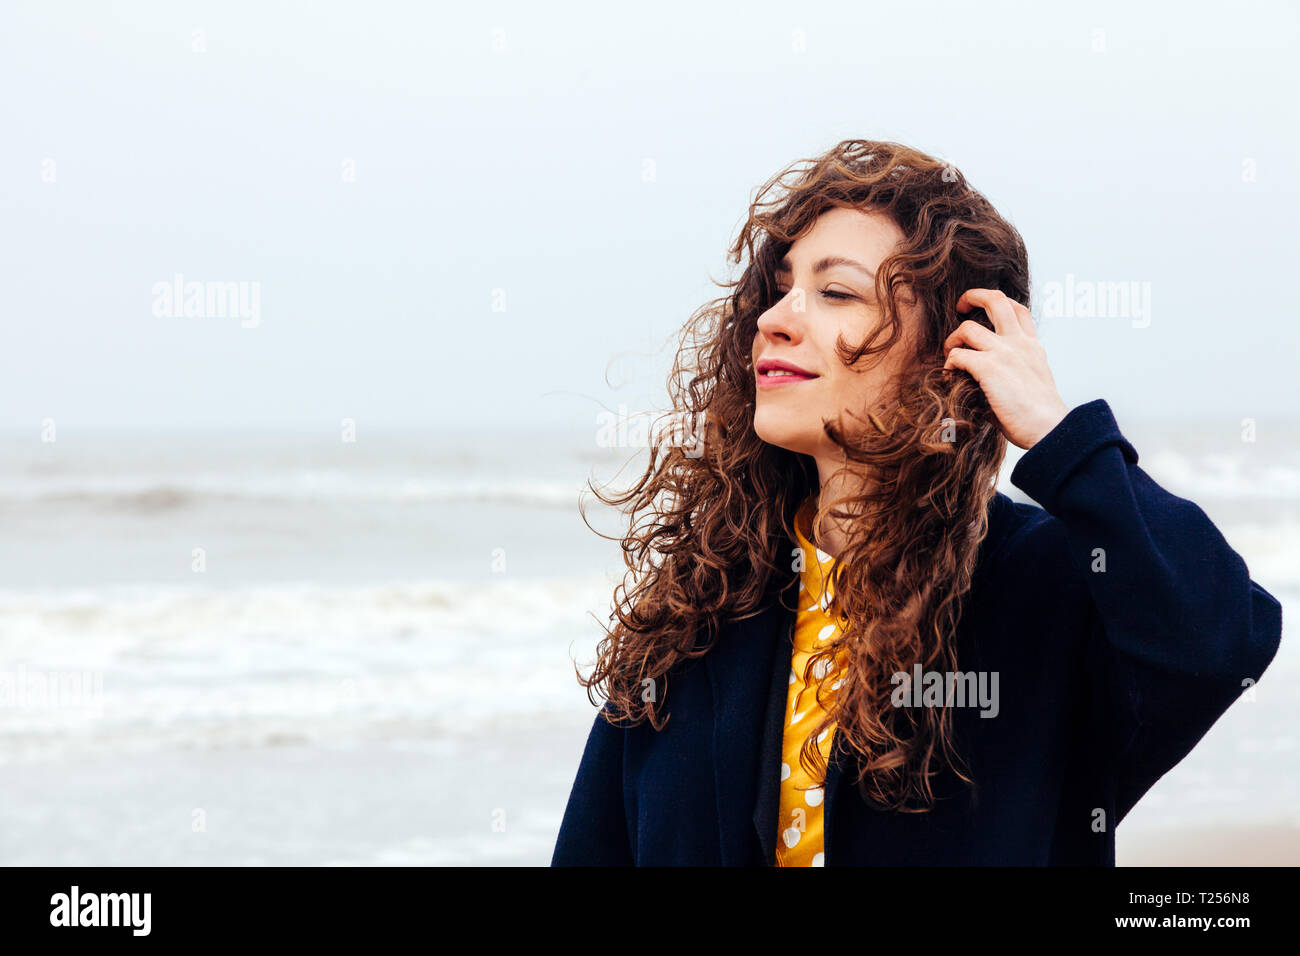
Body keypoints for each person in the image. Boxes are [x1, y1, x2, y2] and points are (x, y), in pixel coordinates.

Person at [551, 139, 1284, 866]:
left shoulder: (1045, 588)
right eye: (780, 288)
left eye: (836, 292)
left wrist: (1063, 438)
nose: (775, 319)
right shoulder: (701, 605)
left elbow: (1221, 643)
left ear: (951, 347)